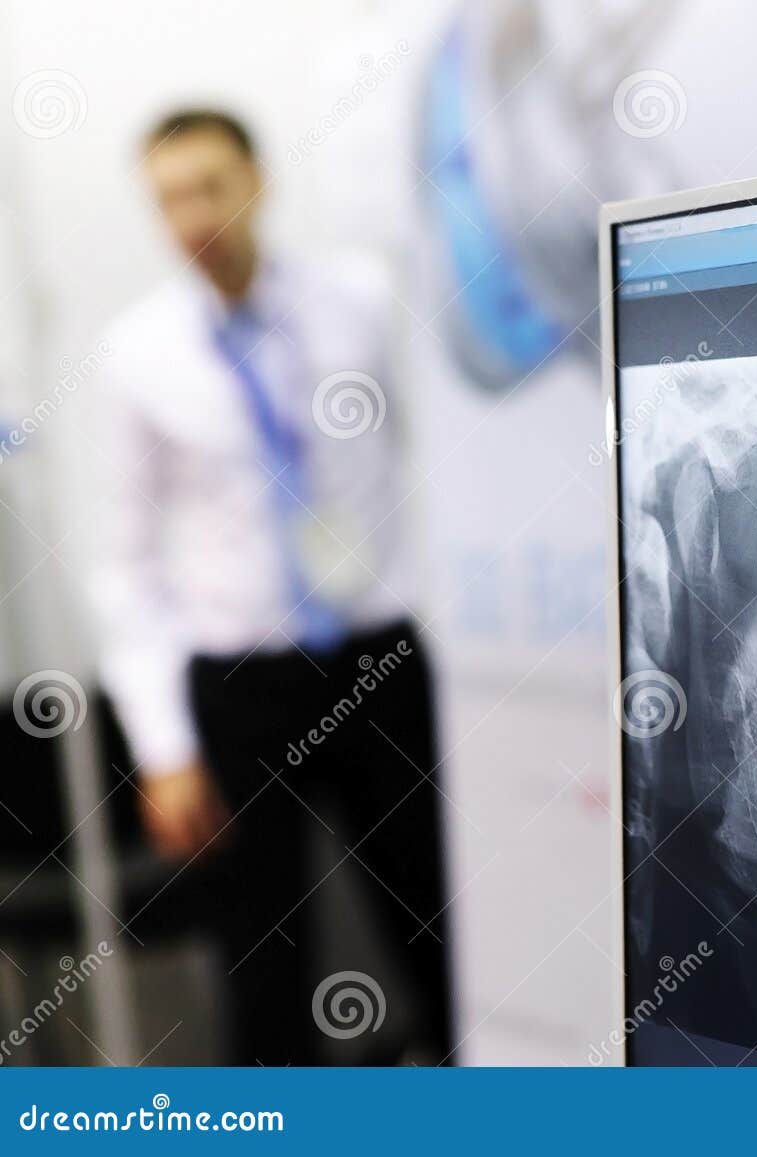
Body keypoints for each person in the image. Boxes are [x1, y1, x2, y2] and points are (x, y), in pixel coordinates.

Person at [85, 109, 453, 1065]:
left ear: (256, 182)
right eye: (168, 198)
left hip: (376, 662)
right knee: (262, 963)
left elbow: (433, 463)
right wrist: (163, 748)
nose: (192, 215)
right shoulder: (140, 351)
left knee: (441, 926)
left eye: (209, 186)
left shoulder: (359, 301)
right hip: (240, 685)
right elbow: (125, 563)